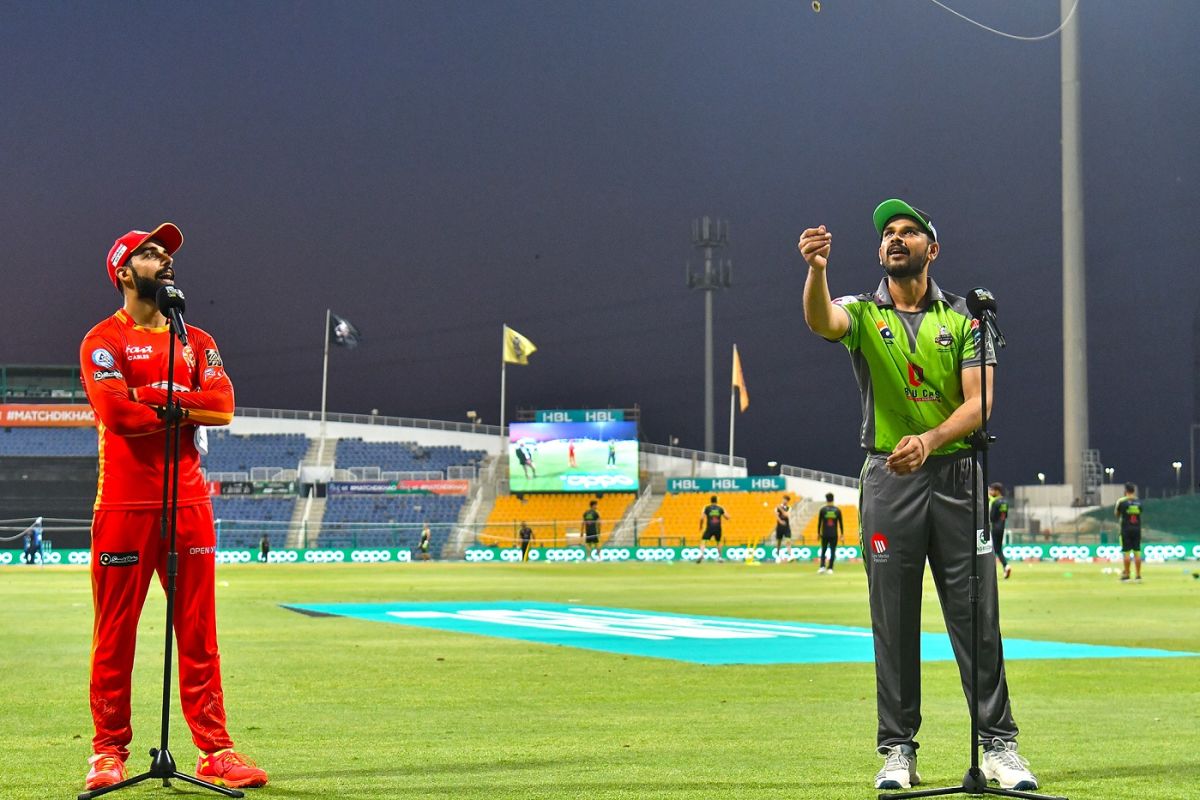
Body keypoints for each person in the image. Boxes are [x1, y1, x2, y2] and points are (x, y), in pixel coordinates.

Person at [799, 199, 1038, 791]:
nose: (896, 238)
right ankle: (898, 751)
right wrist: (817, 270)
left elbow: (979, 404)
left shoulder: (964, 318)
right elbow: (821, 322)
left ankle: (1000, 747)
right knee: (894, 621)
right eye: (888, 234)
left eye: (910, 231)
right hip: (889, 478)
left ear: (933, 249)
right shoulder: (860, 310)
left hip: (958, 477)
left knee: (976, 619)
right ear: (880, 252)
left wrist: (930, 440)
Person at [78, 223, 267, 791]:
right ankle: (109, 752)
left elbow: (225, 405)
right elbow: (117, 417)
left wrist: (154, 397)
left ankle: (216, 751)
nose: (163, 260)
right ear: (122, 272)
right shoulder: (101, 341)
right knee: (115, 634)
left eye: (165, 253)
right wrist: (185, 404)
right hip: (124, 507)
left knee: (199, 632)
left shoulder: (198, 340)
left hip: (189, 504)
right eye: (148, 253)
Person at [1115, 483, 1143, 582]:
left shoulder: (1122, 501)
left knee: (1126, 553)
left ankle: (1127, 574)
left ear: (1125, 491)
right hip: (1137, 528)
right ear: (1134, 491)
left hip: (1126, 529)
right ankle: (1138, 576)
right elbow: (1140, 513)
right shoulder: (1139, 501)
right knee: (1137, 552)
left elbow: (1117, 514)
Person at [988, 483, 1012, 579]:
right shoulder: (1005, 502)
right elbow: (1005, 515)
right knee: (998, 549)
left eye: (992, 490)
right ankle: (1006, 566)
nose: (991, 492)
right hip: (1002, 527)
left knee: (992, 550)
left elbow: (991, 517)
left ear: (997, 491)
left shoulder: (995, 502)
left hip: (995, 528)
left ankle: (993, 571)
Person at [696, 495, 729, 563]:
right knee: (718, 542)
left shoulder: (706, 508)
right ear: (717, 500)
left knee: (703, 541)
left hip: (709, 528)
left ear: (711, 500)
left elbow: (702, 518)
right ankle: (720, 557)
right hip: (718, 528)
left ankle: (701, 554)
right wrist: (723, 511)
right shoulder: (720, 508)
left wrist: (700, 526)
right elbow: (727, 517)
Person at [817, 493, 843, 574]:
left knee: (823, 550)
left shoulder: (823, 510)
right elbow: (841, 523)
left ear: (826, 499)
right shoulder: (837, 510)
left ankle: (822, 567)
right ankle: (830, 568)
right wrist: (842, 534)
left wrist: (818, 533)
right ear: (833, 499)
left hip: (824, 533)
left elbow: (819, 523)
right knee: (832, 551)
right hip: (834, 534)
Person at [773, 494, 793, 562]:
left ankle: (790, 555)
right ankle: (777, 554)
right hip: (779, 527)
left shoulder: (789, 508)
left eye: (786, 500)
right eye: (784, 499)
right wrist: (780, 521)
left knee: (788, 540)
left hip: (786, 527)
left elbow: (787, 515)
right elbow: (776, 515)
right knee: (779, 541)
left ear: (788, 501)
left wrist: (781, 509)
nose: (785, 501)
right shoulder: (777, 508)